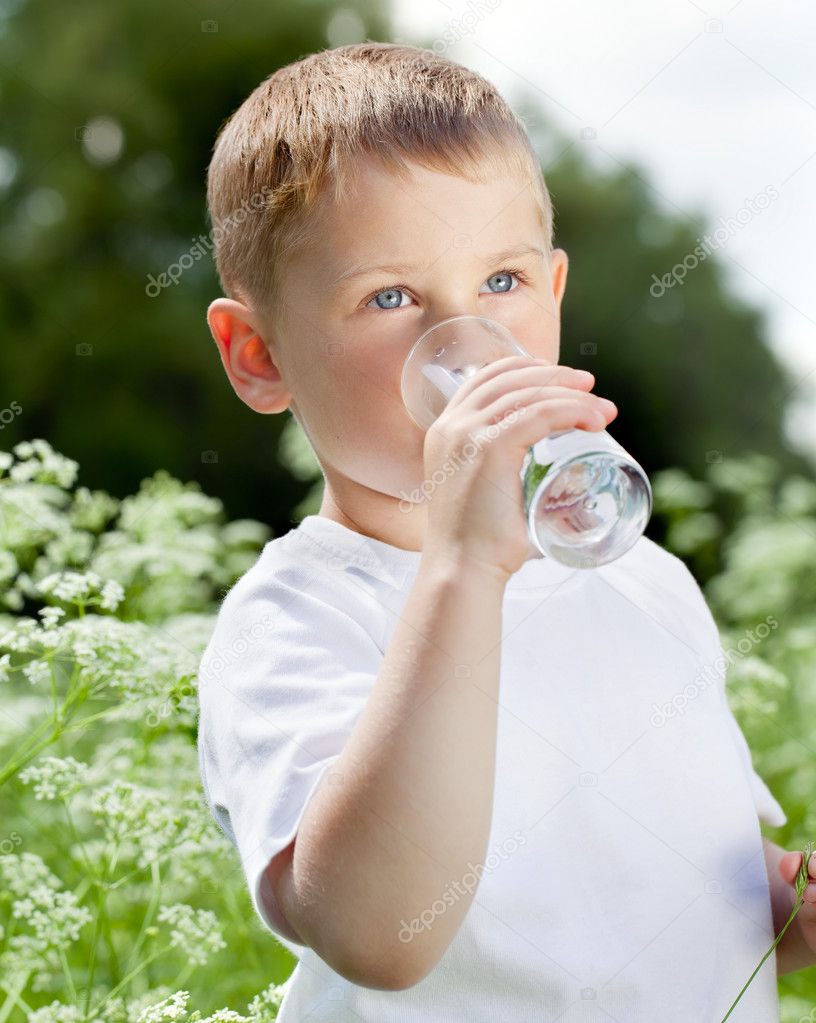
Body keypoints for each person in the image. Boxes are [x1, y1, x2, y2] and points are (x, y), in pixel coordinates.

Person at [195, 41, 813, 1021]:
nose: (465, 343)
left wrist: (781, 910)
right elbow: (377, 935)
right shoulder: (296, 621)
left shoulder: (644, 580)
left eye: (503, 284)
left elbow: (667, 878)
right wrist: (464, 567)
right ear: (260, 355)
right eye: (388, 298)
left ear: (556, 294)